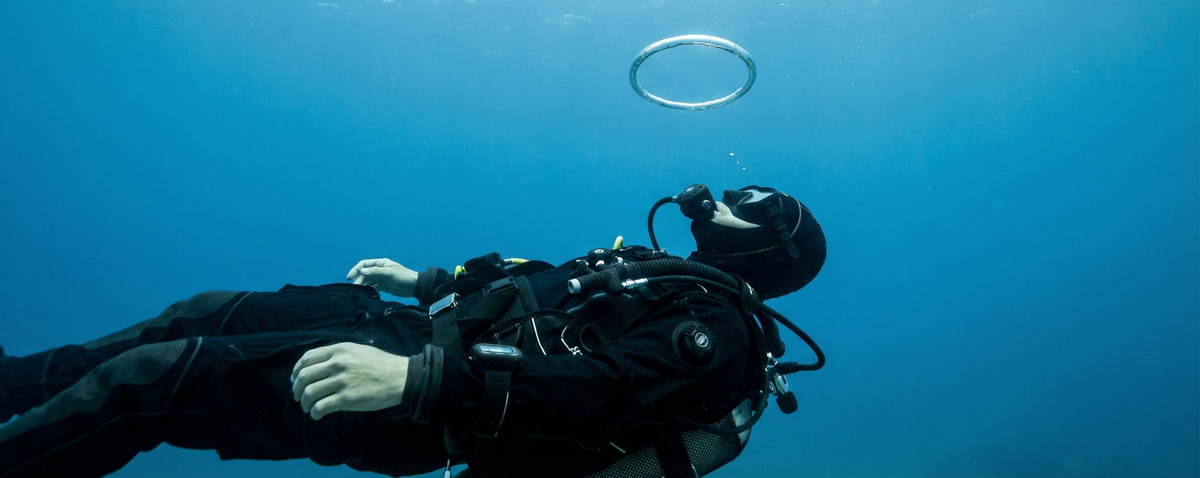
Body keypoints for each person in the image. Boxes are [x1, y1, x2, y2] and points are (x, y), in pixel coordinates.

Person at [0, 184, 827, 478]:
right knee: (203, 312)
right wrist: (428, 281)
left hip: (422, 398)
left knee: (148, 382)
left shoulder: (718, 333)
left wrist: (415, 383)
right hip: (406, 328)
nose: (720, 199)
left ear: (773, 247)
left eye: (754, 205)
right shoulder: (664, 272)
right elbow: (541, 285)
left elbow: (599, 394)